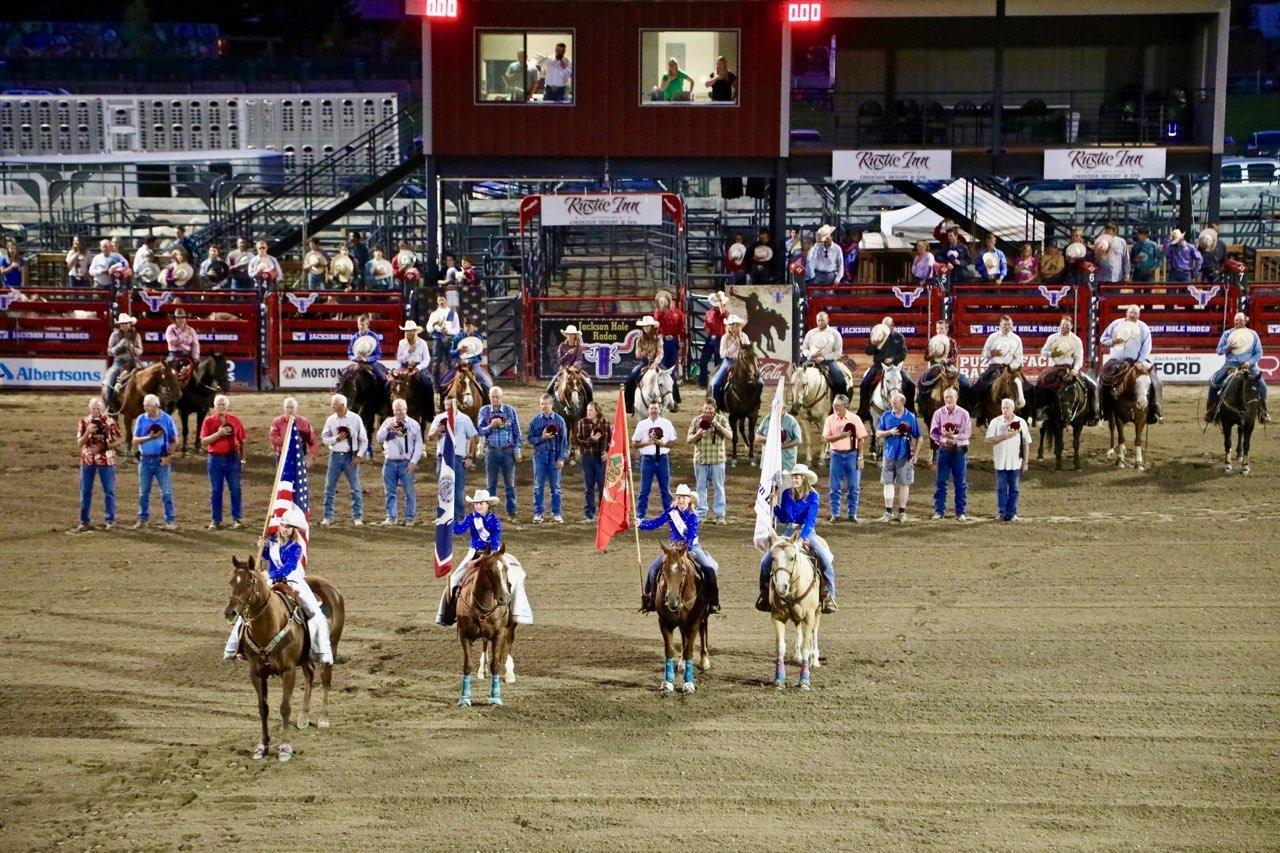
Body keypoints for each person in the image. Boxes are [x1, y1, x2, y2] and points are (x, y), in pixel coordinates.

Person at [223, 507, 333, 665]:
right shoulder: (272, 543)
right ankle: (233, 648)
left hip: (291, 580)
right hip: (270, 581)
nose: (284, 529)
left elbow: (288, 567)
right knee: (247, 609)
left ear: (293, 530)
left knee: (314, 612)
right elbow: (265, 555)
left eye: (288, 527)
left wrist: (271, 575)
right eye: (283, 525)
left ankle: (322, 651)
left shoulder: (296, 547)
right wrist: (261, 544)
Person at [436, 490, 534, 628]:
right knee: (453, 581)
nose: (478, 506)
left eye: (480, 503)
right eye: (475, 503)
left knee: (514, 578)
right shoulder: (471, 518)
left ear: (488, 504)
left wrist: (484, 559)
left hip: (493, 554)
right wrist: (447, 521)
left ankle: (517, 612)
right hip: (474, 553)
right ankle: (448, 614)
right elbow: (459, 530)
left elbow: (494, 541)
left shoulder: (495, 520)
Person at [756, 465, 838, 614]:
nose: (794, 479)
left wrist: (802, 538)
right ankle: (764, 592)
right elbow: (784, 517)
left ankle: (829, 595)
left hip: (807, 531)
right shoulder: (787, 494)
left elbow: (810, 520)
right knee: (766, 560)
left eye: (797, 477)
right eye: (793, 477)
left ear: (804, 479)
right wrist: (773, 504)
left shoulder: (813, 496)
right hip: (788, 531)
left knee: (825, 559)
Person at [638, 484, 721, 614]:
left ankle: (713, 601)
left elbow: (691, 535)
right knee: (653, 569)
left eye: (684, 498)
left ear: (689, 500)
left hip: (692, 548)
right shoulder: (671, 513)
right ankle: (651, 597)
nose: (681, 500)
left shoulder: (693, 515)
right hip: (673, 549)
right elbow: (656, 523)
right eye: (679, 497)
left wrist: (683, 549)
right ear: (676, 499)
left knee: (708, 568)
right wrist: (640, 524)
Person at [1100, 304, 1161, 421]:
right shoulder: (1116, 324)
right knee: (1102, 378)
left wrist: (1140, 360)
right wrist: (1113, 341)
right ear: (1126, 313)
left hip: (1136, 361)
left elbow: (1147, 347)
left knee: (1154, 381)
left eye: (1135, 313)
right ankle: (1103, 409)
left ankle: (1154, 409)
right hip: (1116, 361)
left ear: (1139, 315)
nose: (1133, 315)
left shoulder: (1144, 328)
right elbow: (1103, 339)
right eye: (1131, 312)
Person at [1207, 312, 1270, 423]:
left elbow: (1259, 353)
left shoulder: (1253, 334)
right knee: (1215, 382)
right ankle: (1211, 410)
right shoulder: (1227, 334)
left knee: (1262, 386)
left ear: (1245, 321)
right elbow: (1219, 351)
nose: (1238, 322)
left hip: (1249, 367)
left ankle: (1263, 412)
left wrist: (1249, 363)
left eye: (1240, 320)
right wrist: (1228, 347)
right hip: (1230, 365)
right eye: (1236, 320)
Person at [1040, 315, 1098, 424]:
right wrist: (1052, 353)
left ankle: (1092, 414)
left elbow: (1079, 358)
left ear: (1071, 326)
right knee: (1040, 383)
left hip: (1071, 368)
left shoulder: (1076, 340)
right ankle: (1040, 409)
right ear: (1060, 325)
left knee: (1092, 385)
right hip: (1055, 368)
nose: (1064, 327)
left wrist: (1075, 369)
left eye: (1067, 325)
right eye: (1063, 325)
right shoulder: (1052, 338)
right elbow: (1043, 352)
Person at [131, 393, 178, 530]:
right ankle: (143, 519)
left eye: (148, 405)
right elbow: (134, 440)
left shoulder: (167, 419)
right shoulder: (141, 419)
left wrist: (168, 456)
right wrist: (150, 438)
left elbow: (175, 440)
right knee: (143, 492)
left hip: (160, 460)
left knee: (166, 492)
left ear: (156, 405)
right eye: (144, 405)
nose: (145, 407)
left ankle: (169, 520)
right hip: (145, 459)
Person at [320, 393, 368, 526]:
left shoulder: (355, 419)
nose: (332, 405)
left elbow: (363, 439)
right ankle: (328, 516)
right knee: (329, 488)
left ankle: (357, 517)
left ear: (342, 405)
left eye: (334, 403)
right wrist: (336, 439)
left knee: (356, 488)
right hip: (335, 455)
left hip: (350, 456)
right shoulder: (330, 420)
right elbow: (324, 438)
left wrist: (359, 455)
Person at [199, 394, 246, 529]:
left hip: (233, 458)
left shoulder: (235, 421)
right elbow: (203, 441)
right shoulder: (208, 421)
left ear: (227, 406)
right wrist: (218, 434)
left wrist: (243, 459)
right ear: (214, 406)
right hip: (215, 459)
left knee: (236, 489)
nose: (221, 407)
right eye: (219, 404)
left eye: (223, 405)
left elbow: (242, 440)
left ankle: (237, 519)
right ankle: (216, 520)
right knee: (216, 490)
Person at [76, 397, 123, 532]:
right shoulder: (84, 422)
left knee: (109, 491)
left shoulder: (109, 422)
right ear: (89, 408)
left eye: (98, 408)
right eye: (94, 408)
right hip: (88, 460)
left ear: (102, 409)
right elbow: (79, 443)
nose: (96, 411)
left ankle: (110, 520)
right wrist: (87, 432)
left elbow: (119, 439)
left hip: (106, 459)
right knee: (85, 491)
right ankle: (84, 521)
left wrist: (106, 445)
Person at [477, 386, 523, 521]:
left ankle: (512, 512)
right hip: (491, 451)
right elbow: (479, 431)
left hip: (507, 451)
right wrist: (491, 426)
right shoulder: (484, 411)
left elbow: (517, 432)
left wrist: (517, 450)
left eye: (497, 397)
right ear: (489, 397)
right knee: (491, 484)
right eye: (492, 396)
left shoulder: (510, 411)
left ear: (501, 397)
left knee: (510, 484)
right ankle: (490, 513)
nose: (495, 399)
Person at [873, 391, 921, 523]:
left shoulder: (910, 417)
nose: (892, 404)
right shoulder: (886, 415)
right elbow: (878, 433)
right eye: (892, 402)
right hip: (889, 455)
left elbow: (919, 437)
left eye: (895, 402)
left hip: (904, 456)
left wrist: (916, 455)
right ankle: (888, 512)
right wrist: (890, 432)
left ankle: (902, 512)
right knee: (888, 483)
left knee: (904, 483)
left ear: (902, 403)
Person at [428, 404, 480, 520]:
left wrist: (470, 456)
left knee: (458, 488)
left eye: (450, 405)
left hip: (458, 457)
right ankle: (443, 516)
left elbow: (474, 437)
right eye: (446, 405)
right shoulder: (439, 418)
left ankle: (458, 517)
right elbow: (430, 437)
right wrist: (437, 431)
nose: (447, 407)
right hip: (443, 457)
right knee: (443, 487)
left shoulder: (465, 419)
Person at [376, 398, 424, 526]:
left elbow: (419, 444)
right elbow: (379, 438)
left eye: (401, 409)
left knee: (409, 492)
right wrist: (387, 428)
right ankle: (391, 517)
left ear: (406, 409)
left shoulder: (414, 424)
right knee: (390, 492)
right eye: (396, 410)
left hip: (406, 463)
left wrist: (414, 461)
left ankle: (410, 517)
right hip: (389, 462)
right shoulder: (388, 422)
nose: (398, 412)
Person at [857, 316, 914, 421]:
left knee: (911, 384)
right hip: (878, 366)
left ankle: (911, 410)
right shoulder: (876, 335)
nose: (885, 328)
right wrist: (874, 344)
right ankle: (863, 410)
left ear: (892, 326)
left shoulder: (899, 337)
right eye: (883, 326)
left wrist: (892, 359)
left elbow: (903, 354)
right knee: (865, 384)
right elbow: (868, 351)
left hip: (895, 367)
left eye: (887, 326)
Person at [929, 387, 971, 522]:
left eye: (951, 397)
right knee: (941, 482)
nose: (948, 400)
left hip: (959, 452)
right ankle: (939, 511)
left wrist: (955, 437)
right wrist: (946, 439)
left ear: (956, 398)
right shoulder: (938, 413)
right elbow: (933, 433)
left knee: (960, 483)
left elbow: (967, 433)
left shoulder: (964, 414)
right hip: (944, 451)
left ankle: (961, 512)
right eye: (946, 397)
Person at [985, 398, 1031, 522]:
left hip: (1015, 462)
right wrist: (1006, 436)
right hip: (1000, 462)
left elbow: (1026, 443)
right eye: (1003, 408)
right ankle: (1002, 512)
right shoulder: (995, 422)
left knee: (1014, 489)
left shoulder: (1021, 422)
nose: (1005, 410)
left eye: (1007, 408)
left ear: (1013, 409)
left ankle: (1012, 513)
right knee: (1001, 489)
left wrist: (1026, 461)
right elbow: (988, 440)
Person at [824, 394, 866, 523]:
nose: (835, 407)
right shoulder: (830, 419)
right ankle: (835, 513)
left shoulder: (855, 419)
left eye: (838, 405)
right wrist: (841, 436)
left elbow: (861, 439)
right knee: (834, 485)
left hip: (852, 454)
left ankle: (852, 513)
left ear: (846, 406)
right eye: (834, 405)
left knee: (854, 485)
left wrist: (860, 457)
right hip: (836, 454)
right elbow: (826, 438)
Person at [687, 400, 730, 524]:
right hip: (701, 460)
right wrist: (699, 433)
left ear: (715, 409)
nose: (707, 411)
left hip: (717, 460)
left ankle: (720, 514)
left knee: (719, 488)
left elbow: (730, 436)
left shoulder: (721, 420)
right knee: (701, 488)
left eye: (710, 408)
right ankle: (701, 514)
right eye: (706, 408)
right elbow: (689, 439)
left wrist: (717, 426)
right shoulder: (696, 421)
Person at [527, 395, 568, 523]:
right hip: (540, 456)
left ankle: (556, 513)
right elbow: (530, 439)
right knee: (538, 486)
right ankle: (538, 513)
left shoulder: (560, 420)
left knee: (555, 487)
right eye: (542, 404)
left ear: (552, 404)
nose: (545, 406)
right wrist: (542, 438)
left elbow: (564, 442)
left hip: (554, 456)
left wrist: (561, 458)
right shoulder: (535, 421)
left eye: (547, 404)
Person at [633, 400, 676, 517]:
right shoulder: (642, 424)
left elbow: (673, 442)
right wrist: (646, 442)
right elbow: (635, 443)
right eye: (652, 408)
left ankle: (670, 515)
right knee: (644, 490)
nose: (654, 411)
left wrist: (663, 444)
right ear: (648, 410)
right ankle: (640, 516)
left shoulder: (666, 423)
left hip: (662, 458)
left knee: (665, 489)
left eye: (656, 408)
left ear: (660, 409)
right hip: (647, 459)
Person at [977, 314, 1027, 409]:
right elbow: (983, 355)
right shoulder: (992, 337)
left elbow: (1019, 358)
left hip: (1011, 368)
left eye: (1008, 324)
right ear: (1000, 325)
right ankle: (981, 413)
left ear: (1012, 325)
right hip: (994, 367)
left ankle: (1027, 413)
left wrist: (1010, 368)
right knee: (980, 384)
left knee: (1027, 386)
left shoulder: (1017, 339)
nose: (1006, 327)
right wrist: (992, 354)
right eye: (1004, 325)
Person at [801, 310, 848, 401]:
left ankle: (843, 402)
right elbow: (804, 349)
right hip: (811, 360)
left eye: (822, 320)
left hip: (829, 361)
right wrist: (810, 354)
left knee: (840, 380)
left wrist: (824, 358)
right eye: (818, 320)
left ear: (828, 320)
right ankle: (796, 404)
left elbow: (838, 352)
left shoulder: (835, 334)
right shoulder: (810, 333)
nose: (820, 322)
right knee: (798, 378)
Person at [102, 314, 142, 413]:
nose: (124, 325)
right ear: (119, 325)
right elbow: (110, 351)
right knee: (112, 379)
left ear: (130, 324)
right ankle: (109, 404)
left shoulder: (136, 335)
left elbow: (140, 350)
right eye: (122, 324)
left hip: (134, 361)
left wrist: (133, 349)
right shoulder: (115, 335)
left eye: (126, 323)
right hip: (119, 362)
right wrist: (121, 344)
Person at [576, 401, 609, 521]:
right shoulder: (582, 423)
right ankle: (589, 514)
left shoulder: (606, 424)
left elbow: (611, 441)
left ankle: (603, 513)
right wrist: (592, 440)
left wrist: (608, 452)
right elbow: (579, 441)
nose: (588, 412)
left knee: (602, 486)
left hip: (601, 459)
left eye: (590, 410)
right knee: (589, 486)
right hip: (587, 457)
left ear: (597, 411)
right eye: (587, 410)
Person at [653, 290, 685, 410]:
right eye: (660, 301)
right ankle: (662, 396)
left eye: (664, 300)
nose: (662, 302)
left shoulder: (678, 313)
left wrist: (681, 340)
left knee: (672, 370)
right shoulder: (658, 313)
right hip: (663, 341)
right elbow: (657, 325)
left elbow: (681, 327)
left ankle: (674, 397)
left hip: (673, 341)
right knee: (663, 368)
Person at [709, 314, 749, 410]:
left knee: (757, 381)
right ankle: (715, 407)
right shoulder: (724, 338)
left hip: (742, 362)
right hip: (728, 361)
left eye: (733, 324)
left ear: (738, 326)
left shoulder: (744, 337)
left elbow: (749, 350)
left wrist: (744, 353)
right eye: (730, 324)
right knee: (715, 383)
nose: (731, 326)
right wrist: (733, 347)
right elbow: (722, 354)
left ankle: (753, 405)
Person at [624, 316, 662, 415]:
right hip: (644, 363)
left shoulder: (658, 339)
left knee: (670, 378)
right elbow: (637, 354)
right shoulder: (639, 340)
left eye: (648, 326)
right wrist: (644, 353)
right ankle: (629, 404)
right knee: (630, 380)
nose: (646, 328)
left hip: (656, 362)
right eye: (644, 326)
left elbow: (660, 353)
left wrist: (655, 363)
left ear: (651, 327)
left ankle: (672, 402)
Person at [547, 324, 593, 402]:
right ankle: (550, 404)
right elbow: (560, 361)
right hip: (563, 370)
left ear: (575, 335)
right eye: (569, 334)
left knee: (588, 387)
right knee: (549, 388)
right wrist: (568, 353)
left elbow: (579, 359)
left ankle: (589, 406)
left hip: (575, 370)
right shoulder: (562, 346)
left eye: (572, 334)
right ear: (566, 335)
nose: (570, 336)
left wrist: (574, 366)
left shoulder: (578, 346)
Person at [426, 293, 461, 394]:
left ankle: (451, 385)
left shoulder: (453, 314)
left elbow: (457, 330)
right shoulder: (434, 314)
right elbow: (429, 329)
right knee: (435, 364)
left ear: (446, 300)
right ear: (437, 301)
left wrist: (448, 331)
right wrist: (433, 325)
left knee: (452, 364)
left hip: (450, 341)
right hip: (438, 340)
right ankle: (436, 387)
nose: (441, 302)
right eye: (439, 300)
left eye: (442, 300)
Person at [754, 405, 803, 472]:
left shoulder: (791, 421)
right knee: (769, 482)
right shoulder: (767, 419)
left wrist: (782, 446)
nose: (774, 411)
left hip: (786, 462)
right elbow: (757, 437)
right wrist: (770, 439)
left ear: (784, 409)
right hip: (769, 461)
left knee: (786, 481)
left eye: (777, 408)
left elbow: (798, 440)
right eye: (773, 408)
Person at [269, 397, 320, 461]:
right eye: (287, 407)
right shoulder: (277, 422)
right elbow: (273, 437)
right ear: (284, 409)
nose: (289, 410)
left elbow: (313, 441)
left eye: (292, 407)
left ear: (296, 408)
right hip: (282, 456)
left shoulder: (304, 422)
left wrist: (312, 457)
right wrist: (289, 440)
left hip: (300, 457)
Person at [395, 320, 433, 396]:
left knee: (427, 382)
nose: (408, 333)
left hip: (418, 367)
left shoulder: (422, 343)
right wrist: (408, 352)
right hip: (404, 367)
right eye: (406, 331)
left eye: (410, 331)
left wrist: (418, 368)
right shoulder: (402, 343)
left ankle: (429, 406)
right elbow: (399, 359)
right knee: (391, 382)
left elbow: (427, 359)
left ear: (415, 331)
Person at [347, 314, 388, 384]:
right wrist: (355, 358)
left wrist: (367, 359)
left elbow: (378, 354)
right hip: (358, 363)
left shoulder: (374, 336)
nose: (360, 327)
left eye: (363, 325)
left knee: (382, 379)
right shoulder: (354, 338)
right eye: (359, 324)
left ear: (367, 325)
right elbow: (350, 353)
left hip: (371, 363)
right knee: (344, 376)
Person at [699, 292, 728, 389]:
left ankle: (717, 382)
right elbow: (706, 323)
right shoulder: (709, 312)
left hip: (720, 338)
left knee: (718, 362)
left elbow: (723, 313)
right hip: (711, 338)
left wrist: (720, 301)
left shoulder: (724, 312)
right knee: (703, 361)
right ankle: (703, 382)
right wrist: (707, 328)